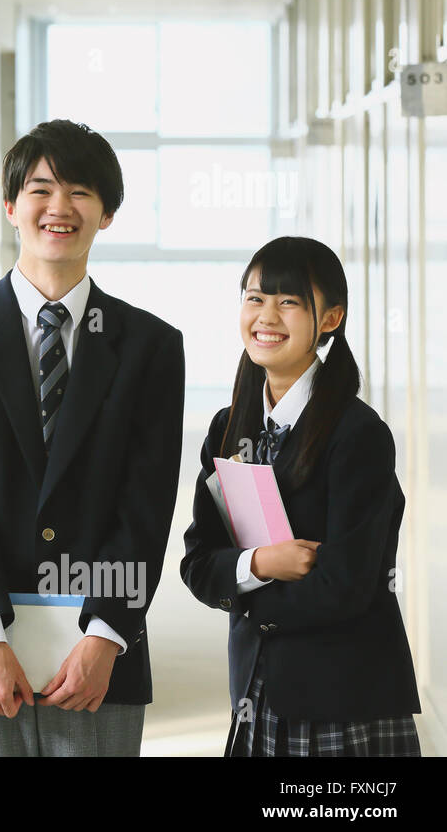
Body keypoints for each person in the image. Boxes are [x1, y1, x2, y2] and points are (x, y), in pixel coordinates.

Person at [0, 119, 185, 756]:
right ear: (10, 206)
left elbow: (145, 504)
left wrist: (106, 634)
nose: (60, 207)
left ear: (107, 214)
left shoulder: (151, 347)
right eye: (40, 190)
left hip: (95, 660)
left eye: (80, 191)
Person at [180, 236, 420, 756]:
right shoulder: (228, 429)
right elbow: (198, 565)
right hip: (255, 690)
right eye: (255, 298)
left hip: (342, 698)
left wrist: (243, 591)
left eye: (288, 301)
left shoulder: (358, 434)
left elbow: (348, 584)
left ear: (330, 318)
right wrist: (261, 563)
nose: (266, 316)